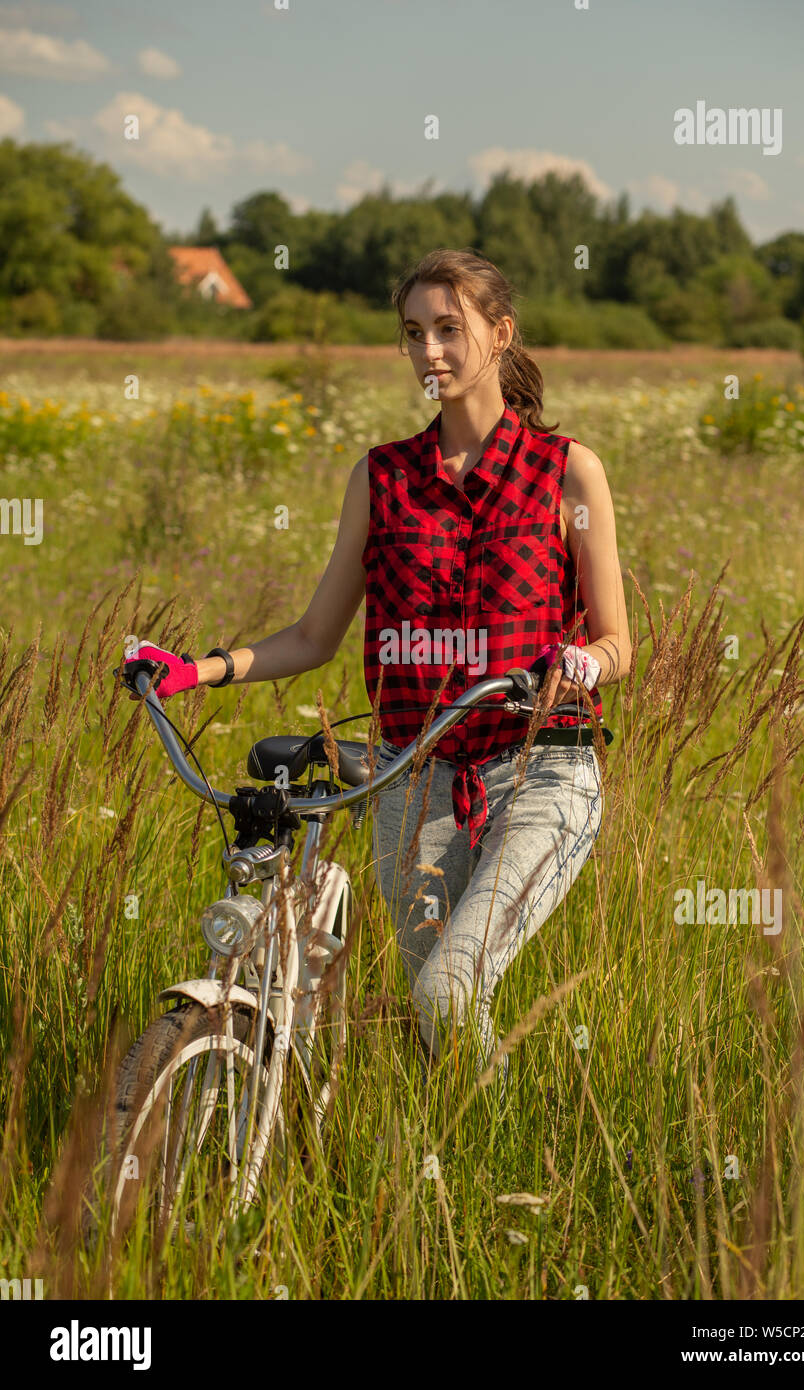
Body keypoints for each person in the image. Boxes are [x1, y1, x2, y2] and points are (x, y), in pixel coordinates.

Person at [124, 248, 631, 1092]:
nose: (429, 353)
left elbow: (618, 640)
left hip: (541, 767)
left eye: (447, 330)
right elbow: (314, 636)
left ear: (499, 334)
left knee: (447, 987)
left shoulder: (567, 470)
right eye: (412, 333)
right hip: (414, 775)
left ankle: (501, 1155)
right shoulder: (382, 476)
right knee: (439, 1013)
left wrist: (581, 657)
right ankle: (480, 1161)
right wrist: (201, 670)